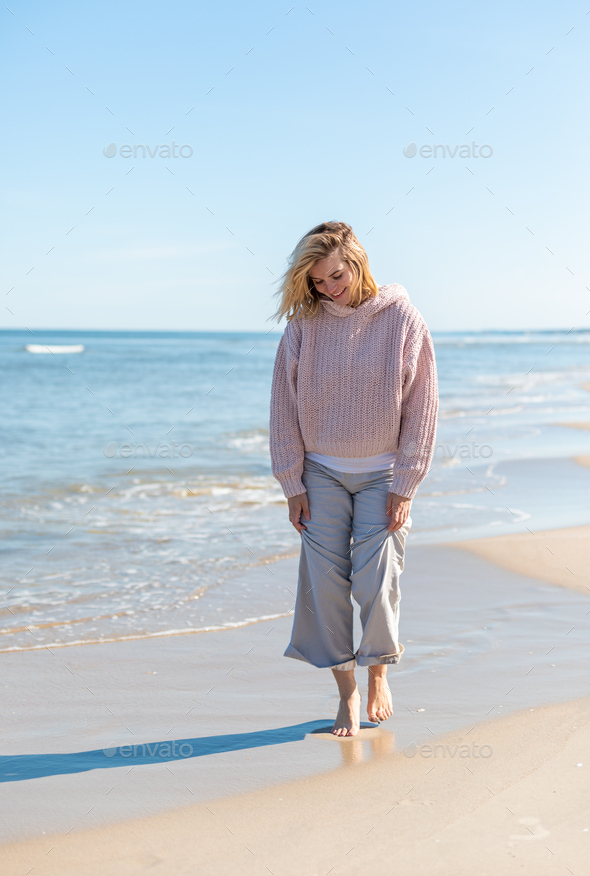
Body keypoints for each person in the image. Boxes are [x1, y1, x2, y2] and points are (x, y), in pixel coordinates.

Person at [269, 221, 438, 737]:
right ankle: (345, 696)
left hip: (382, 474)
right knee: (324, 585)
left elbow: (422, 406)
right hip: (319, 473)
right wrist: (291, 483)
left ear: (358, 263)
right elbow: (282, 407)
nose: (328, 288)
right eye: (317, 281)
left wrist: (406, 483)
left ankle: (379, 672)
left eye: (335, 275)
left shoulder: (403, 319)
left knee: (377, 576)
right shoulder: (303, 326)